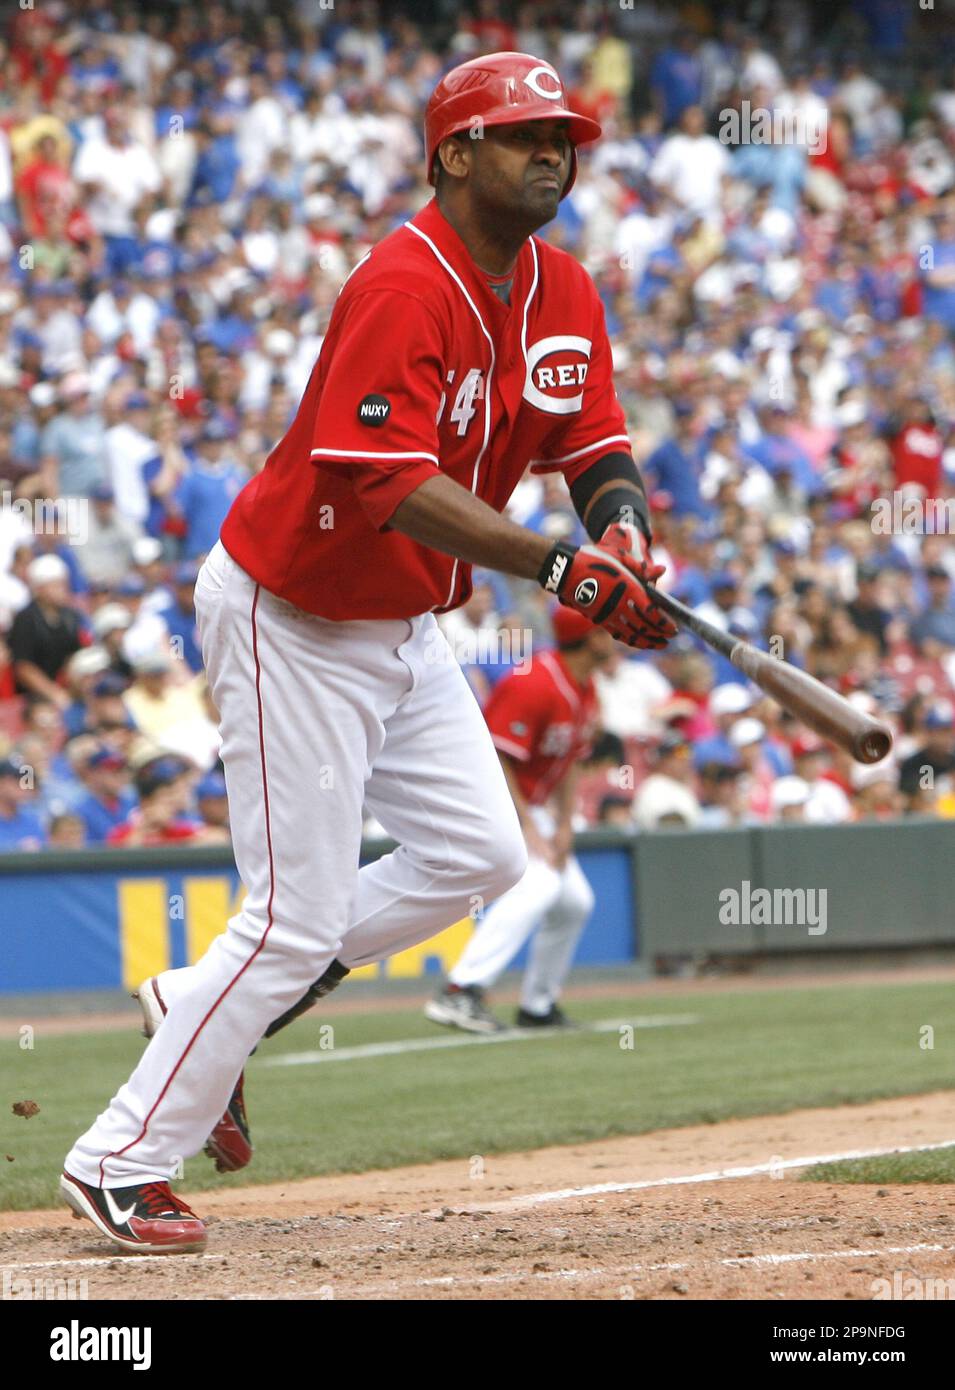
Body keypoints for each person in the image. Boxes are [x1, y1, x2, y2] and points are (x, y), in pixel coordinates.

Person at [59, 51, 676, 1255]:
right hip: (291, 611)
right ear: (452, 152)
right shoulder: (402, 282)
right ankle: (118, 1159)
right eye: (521, 134)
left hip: (404, 623)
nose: (552, 150)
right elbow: (389, 483)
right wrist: (557, 567)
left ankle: (194, 1009)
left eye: (562, 135)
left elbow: (592, 435)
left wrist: (622, 528)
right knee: (295, 915)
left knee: (479, 853)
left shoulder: (564, 288)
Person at [426, 606, 607, 1034]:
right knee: (540, 885)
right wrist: (528, 829)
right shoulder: (536, 682)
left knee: (575, 902)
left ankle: (537, 1007)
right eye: (605, 628)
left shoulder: (585, 685)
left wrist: (564, 827)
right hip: (484, 797)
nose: (614, 634)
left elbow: (570, 763)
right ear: (590, 636)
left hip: (533, 806)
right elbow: (495, 756)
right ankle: (460, 990)